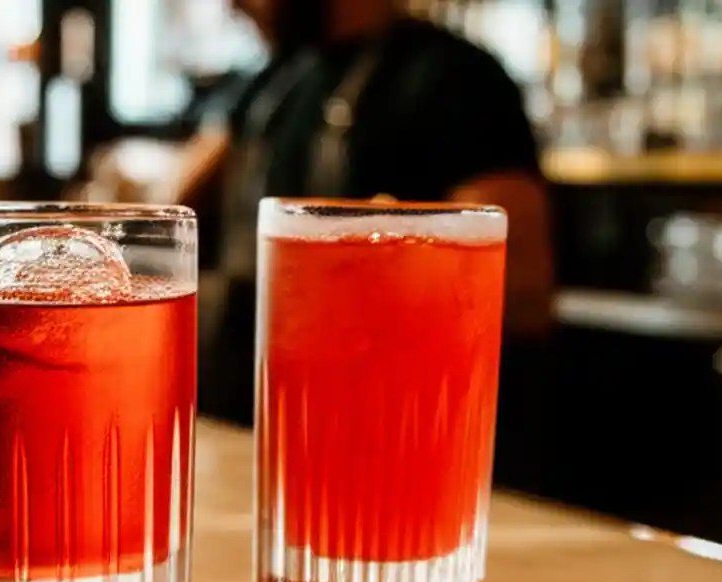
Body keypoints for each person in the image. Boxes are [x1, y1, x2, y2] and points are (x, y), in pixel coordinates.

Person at [183, 0, 553, 444]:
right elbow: (176, 205)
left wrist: (376, 271)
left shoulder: (458, 78)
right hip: (256, 430)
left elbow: (524, 292)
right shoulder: (275, 79)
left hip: (383, 437)